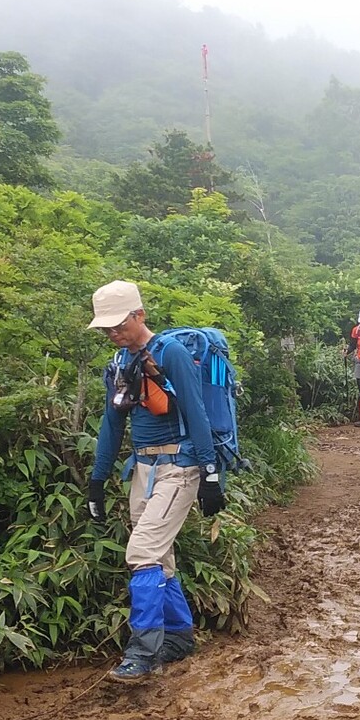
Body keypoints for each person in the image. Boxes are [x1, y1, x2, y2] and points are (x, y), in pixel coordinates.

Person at [87, 280, 225, 684]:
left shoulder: (173, 353)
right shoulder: (117, 365)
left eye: (119, 325)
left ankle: (142, 653)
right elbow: (111, 426)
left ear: (139, 315)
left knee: (142, 553)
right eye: (107, 328)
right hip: (143, 470)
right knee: (159, 558)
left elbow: (197, 413)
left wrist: (210, 473)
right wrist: (98, 481)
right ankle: (179, 636)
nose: (114, 333)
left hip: (179, 468)